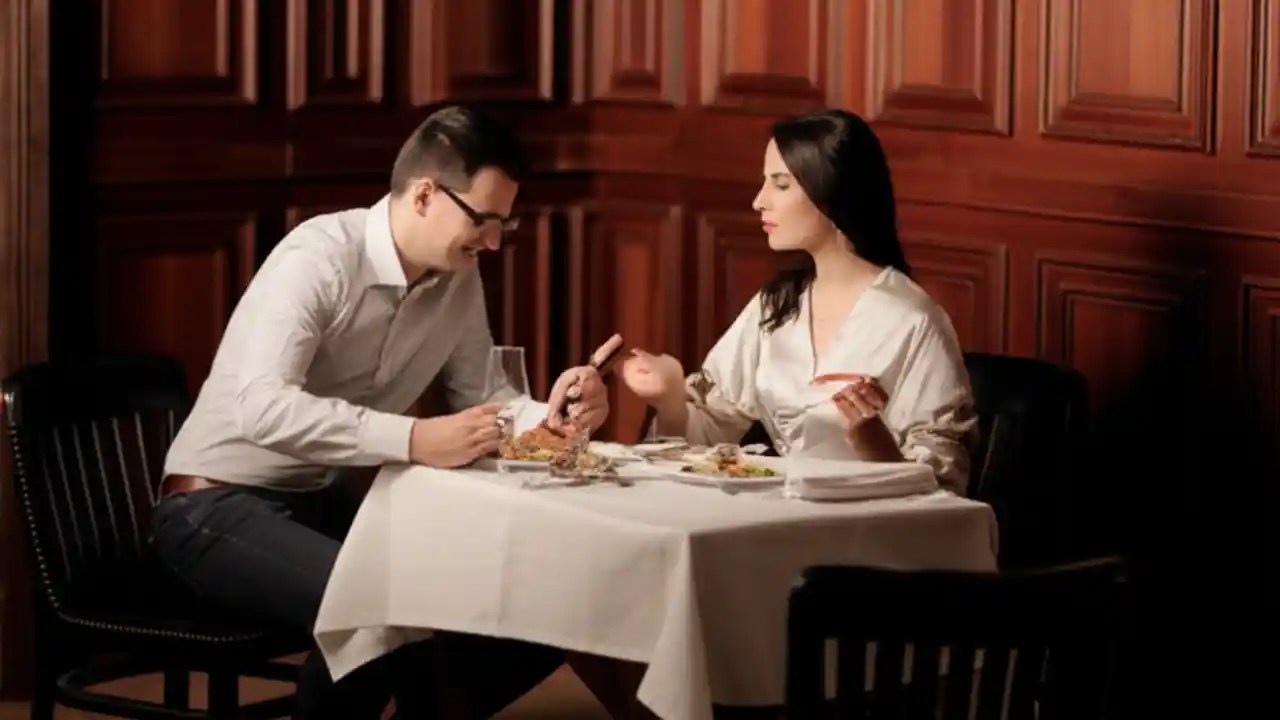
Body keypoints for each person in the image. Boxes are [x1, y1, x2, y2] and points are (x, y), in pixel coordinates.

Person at [150, 105, 606, 719]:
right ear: (424, 195)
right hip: (210, 504)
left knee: (523, 594)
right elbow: (261, 407)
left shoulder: (458, 276)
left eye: (505, 224)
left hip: (320, 505)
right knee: (378, 611)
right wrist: (415, 438)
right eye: (484, 220)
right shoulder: (317, 258)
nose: (494, 242)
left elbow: (483, 400)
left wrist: (551, 418)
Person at [621, 108, 977, 495]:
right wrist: (670, 396)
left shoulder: (911, 319)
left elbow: (946, 485)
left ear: (829, 190)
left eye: (780, 184)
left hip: (870, 537)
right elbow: (709, 433)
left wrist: (875, 445)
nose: (759, 201)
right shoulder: (777, 306)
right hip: (782, 513)